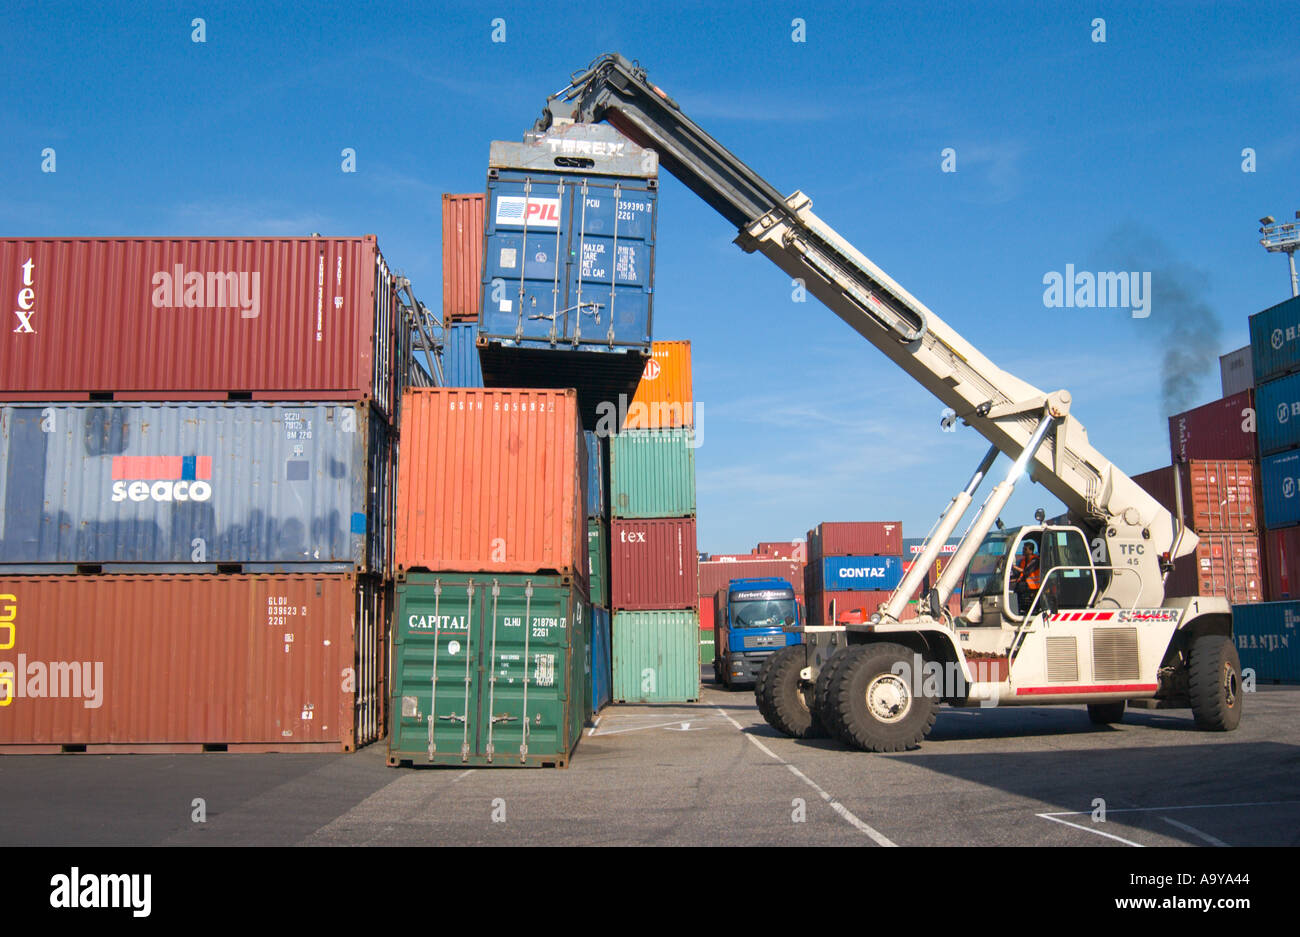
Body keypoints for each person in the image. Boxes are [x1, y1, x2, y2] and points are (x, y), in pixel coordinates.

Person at [1010, 540, 1041, 614]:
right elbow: (1020, 574)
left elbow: (1026, 571)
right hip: (1026, 584)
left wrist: (1013, 567)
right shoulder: (1023, 561)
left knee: (1019, 587)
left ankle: (1018, 607)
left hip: (1034, 585)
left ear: (1031, 551)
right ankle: (1019, 607)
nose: (1023, 550)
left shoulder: (1035, 560)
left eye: (1025, 549)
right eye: (1023, 549)